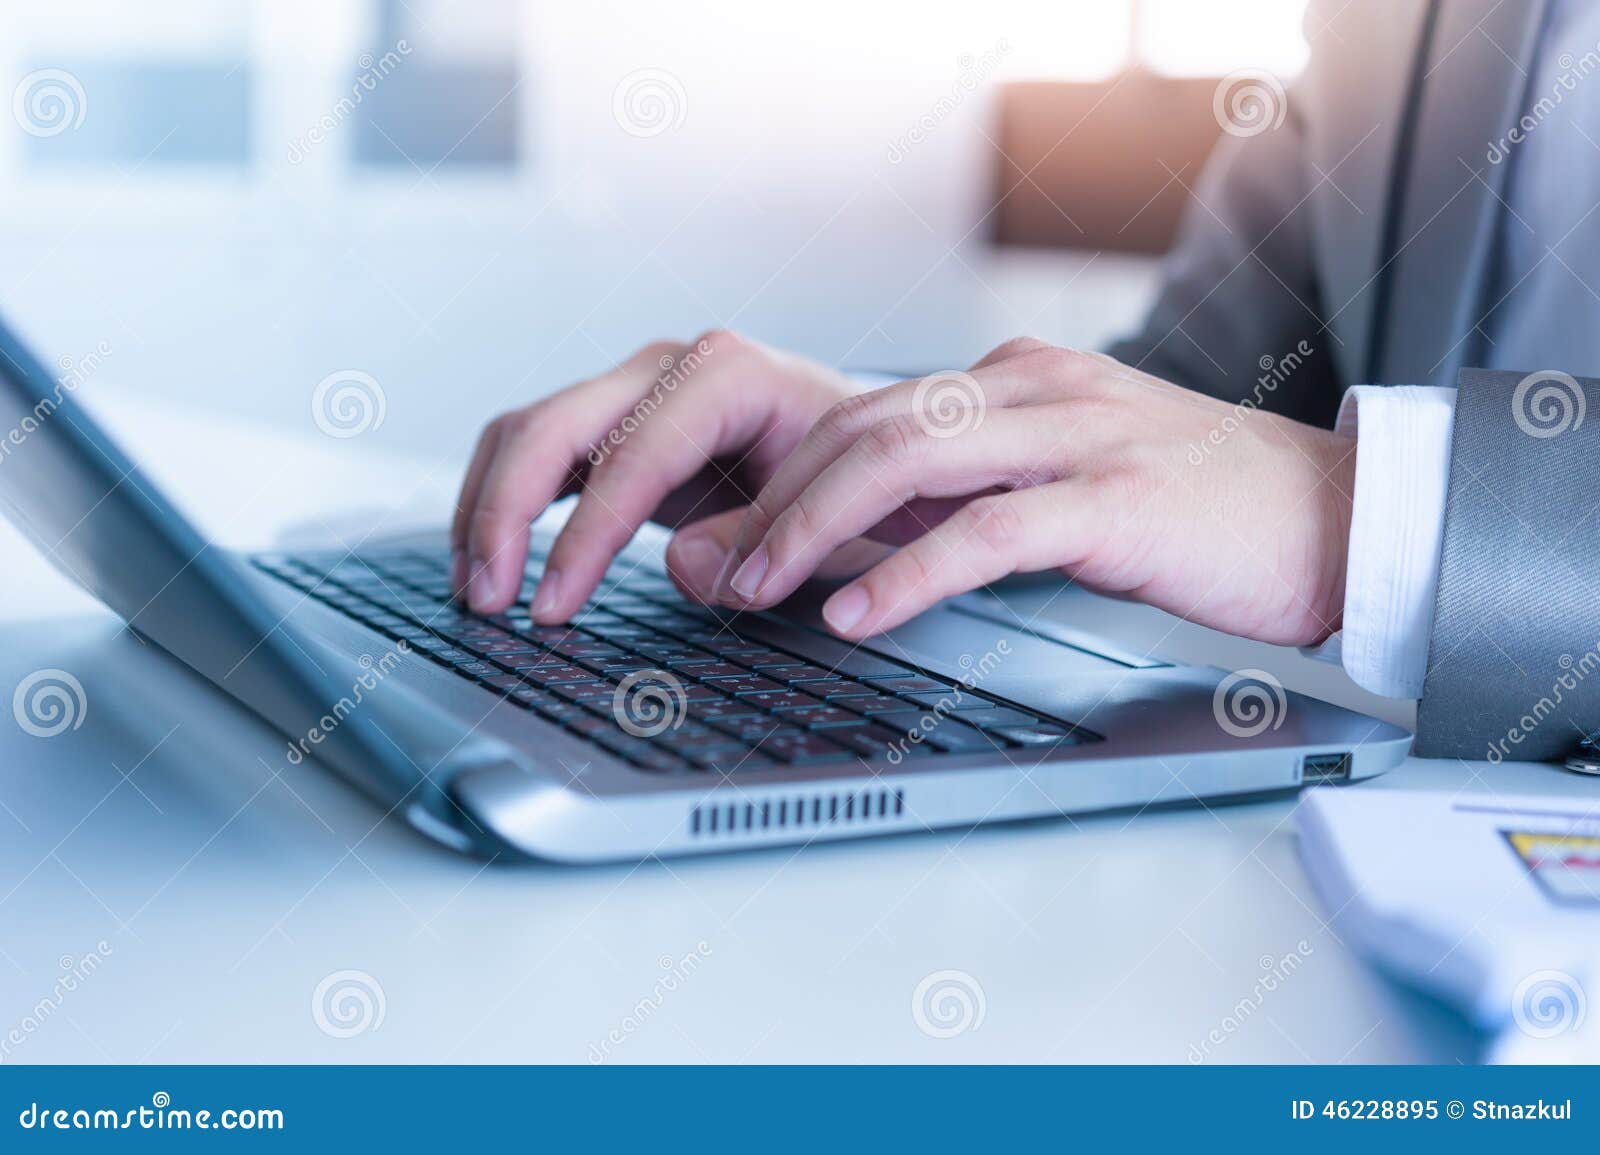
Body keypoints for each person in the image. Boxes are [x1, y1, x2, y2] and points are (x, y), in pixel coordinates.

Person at [452, 0, 1599, 763]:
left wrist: (1352, 519)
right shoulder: (1390, 23)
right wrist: (869, 446)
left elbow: (1281, 481)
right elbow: (1196, 405)